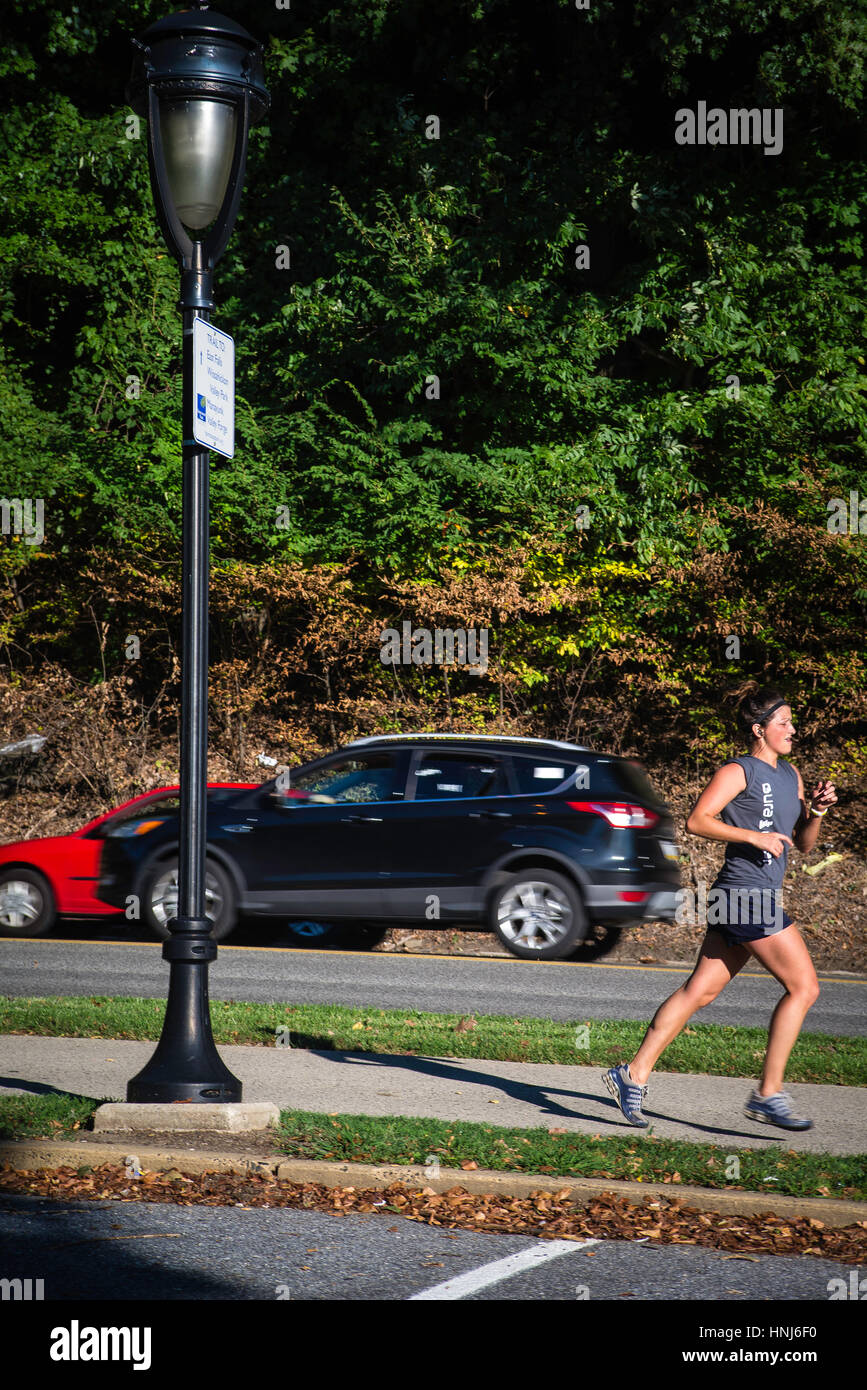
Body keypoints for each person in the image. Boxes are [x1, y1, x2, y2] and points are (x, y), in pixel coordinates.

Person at [603, 687, 836, 1131]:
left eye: (792, 721)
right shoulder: (738, 770)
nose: (792, 729)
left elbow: (803, 845)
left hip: (755, 897)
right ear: (759, 729)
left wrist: (817, 812)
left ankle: (631, 1075)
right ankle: (768, 1094)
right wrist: (753, 837)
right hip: (744, 895)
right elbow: (698, 819)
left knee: (700, 992)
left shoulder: (792, 776)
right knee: (804, 987)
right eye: (783, 722)